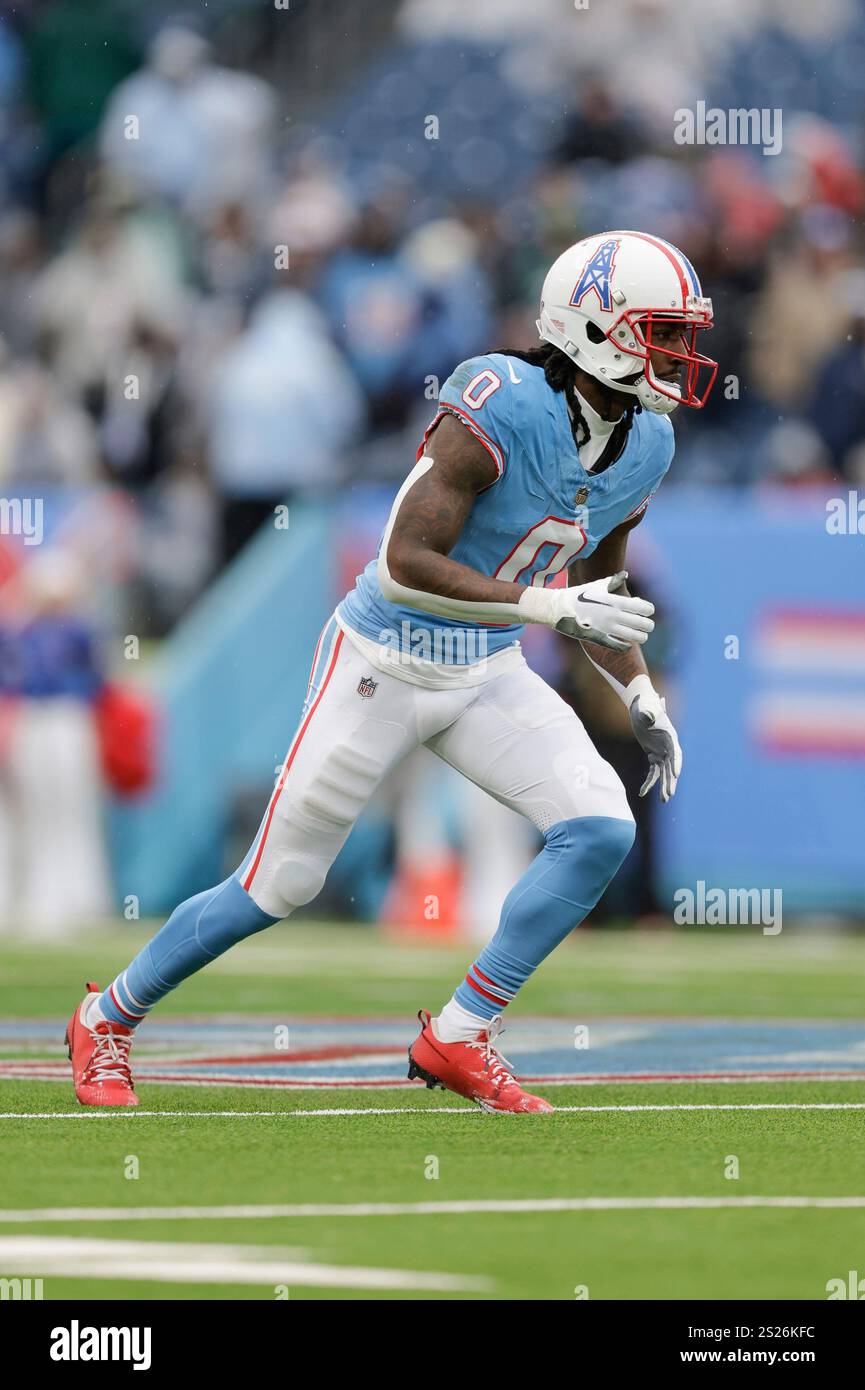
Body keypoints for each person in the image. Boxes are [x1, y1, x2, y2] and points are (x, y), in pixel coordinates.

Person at [66, 229, 716, 1113]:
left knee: (600, 826)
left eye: (683, 333)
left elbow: (596, 581)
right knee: (277, 885)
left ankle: (457, 1035)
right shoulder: (501, 399)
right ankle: (106, 1017)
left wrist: (636, 686)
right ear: (594, 326)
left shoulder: (647, 444)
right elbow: (406, 559)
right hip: (383, 657)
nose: (680, 354)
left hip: (483, 668)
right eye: (662, 331)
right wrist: (543, 607)